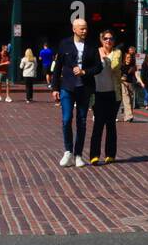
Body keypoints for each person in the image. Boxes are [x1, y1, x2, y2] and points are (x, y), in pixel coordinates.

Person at [51, 18, 102, 168]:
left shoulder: (92, 45)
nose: (85, 31)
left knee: (82, 121)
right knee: (67, 119)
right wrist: (55, 88)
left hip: (84, 87)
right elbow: (58, 67)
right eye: (82, 29)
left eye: (86, 28)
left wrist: (84, 71)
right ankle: (68, 151)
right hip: (67, 86)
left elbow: (98, 67)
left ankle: (78, 154)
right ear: (74, 29)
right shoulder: (64, 44)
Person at [88, 30, 123, 165]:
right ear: (101, 40)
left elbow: (114, 67)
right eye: (106, 38)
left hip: (113, 93)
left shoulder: (117, 53)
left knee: (111, 124)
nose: (109, 41)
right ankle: (94, 155)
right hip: (97, 92)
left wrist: (104, 59)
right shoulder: (95, 52)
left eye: (111, 38)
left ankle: (110, 154)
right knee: (98, 123)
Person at [119, 46, 137, 122]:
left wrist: (141, 82)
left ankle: (127, 116)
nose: (129, 59)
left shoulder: (133, 66)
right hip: (123, 83)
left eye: (130, 57)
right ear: (125, 58)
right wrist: (122, 80)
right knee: (126, 100)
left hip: (131, 83)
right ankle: (130, 115)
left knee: (131, 99)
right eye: (127, 57)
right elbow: (118, 75)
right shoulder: (122, 66)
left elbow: (136, 74)